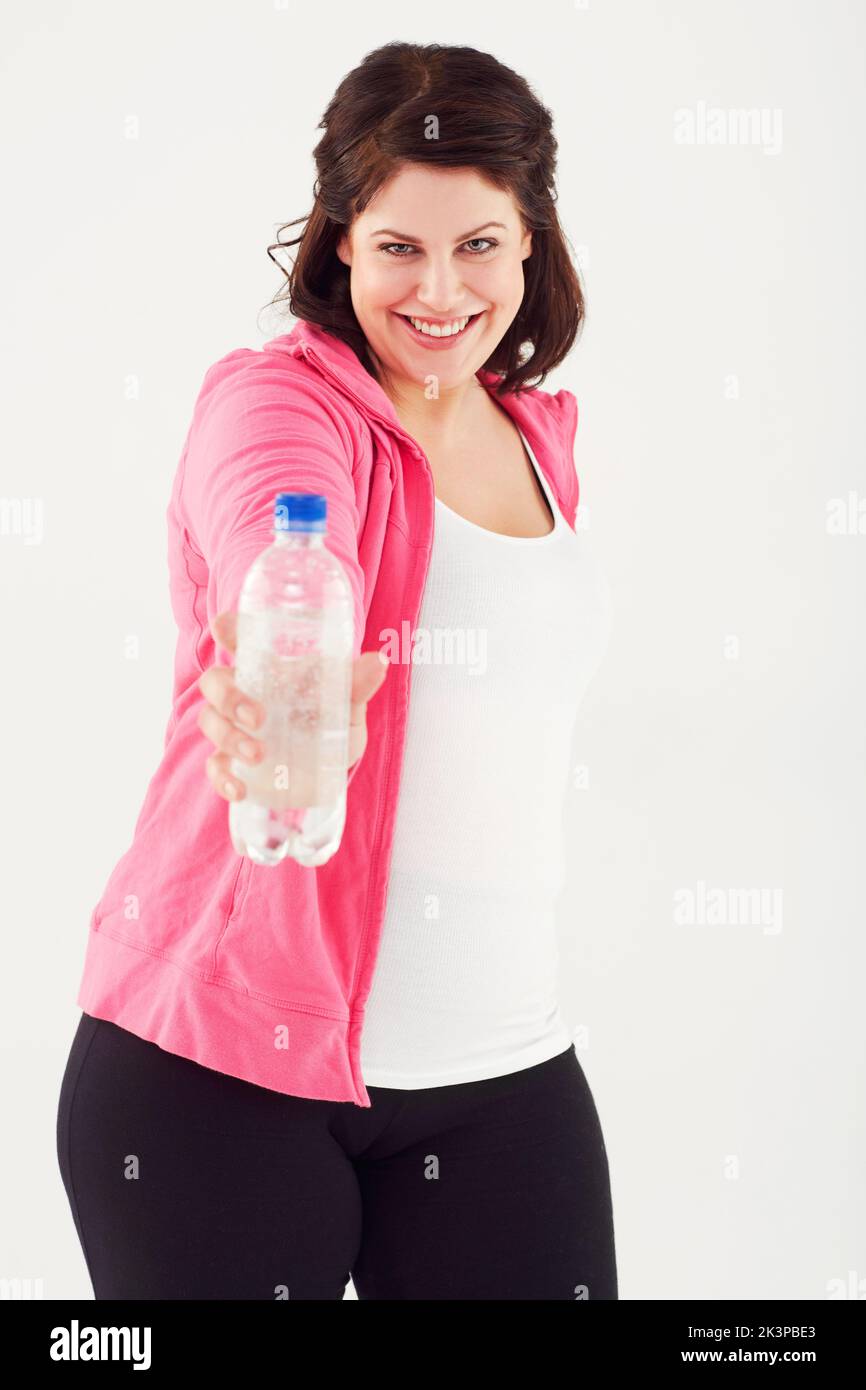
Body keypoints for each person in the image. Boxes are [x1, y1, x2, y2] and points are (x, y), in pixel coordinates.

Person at [56, 40, 618, 1301]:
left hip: (501, 1075)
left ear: (531, 243)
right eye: (397, 247)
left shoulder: (537, 437)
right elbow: (274, 523)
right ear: (338, 244)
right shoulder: (273, 402)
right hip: (214, 1081)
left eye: (477, 243)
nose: (439, 288)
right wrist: (287, 657)